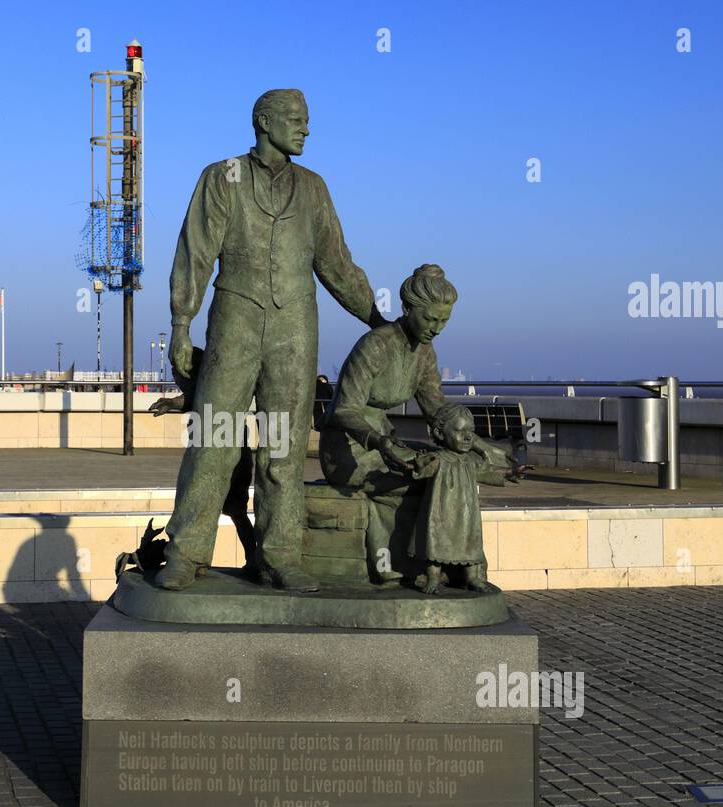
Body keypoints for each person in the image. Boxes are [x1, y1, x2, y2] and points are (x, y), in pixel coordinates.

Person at [159, 88, 387, 592]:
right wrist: (181, 324)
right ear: (264, 122)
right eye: (296, 119)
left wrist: (376, 317)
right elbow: (195, 253)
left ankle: (280, 555)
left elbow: (336, 263)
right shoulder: (222, 176)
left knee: (283, 446)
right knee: (215, 438)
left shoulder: (313, 187)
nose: (307, 129)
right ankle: (187, 550)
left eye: (307, 120)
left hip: (295, 329)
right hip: (235, 320)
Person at [318, 264, 515, 585]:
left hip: (386, 441)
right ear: (408, 309)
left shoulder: (424, 353)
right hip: (348, 449)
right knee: (434, 477)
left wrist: (484, 448)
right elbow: (344, 410)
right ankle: (403, 564)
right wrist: (381, 443)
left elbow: (437, 409)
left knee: (452, 465)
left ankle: (456, 563)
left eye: (444, 321)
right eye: (430, 319)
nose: (436, 328)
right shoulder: (375, 345)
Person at [148, 347, 256, 577]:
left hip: (228, 458)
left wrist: (174, 403)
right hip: (227, 454)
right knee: (230, 513)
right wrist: (173, 403)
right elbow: (196, 396)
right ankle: (238, 559)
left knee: (215, 510)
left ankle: (207, 561)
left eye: (182, 375)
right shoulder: (216, 384)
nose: (179, 380)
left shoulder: (218, 385)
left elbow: (199, 395)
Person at [412, 403, 510, 594]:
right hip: (440, 511)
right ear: (440, 434)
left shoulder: (470, 461)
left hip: (466, 514)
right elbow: (419, 470)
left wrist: (509, 474)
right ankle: (433, 578)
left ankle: (473, 578)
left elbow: (487, 472)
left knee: (471, 543)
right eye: (460, 431)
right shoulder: (438, 459)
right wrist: (415, 466)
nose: (467, 437)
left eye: (471, 432)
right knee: (436, 542)